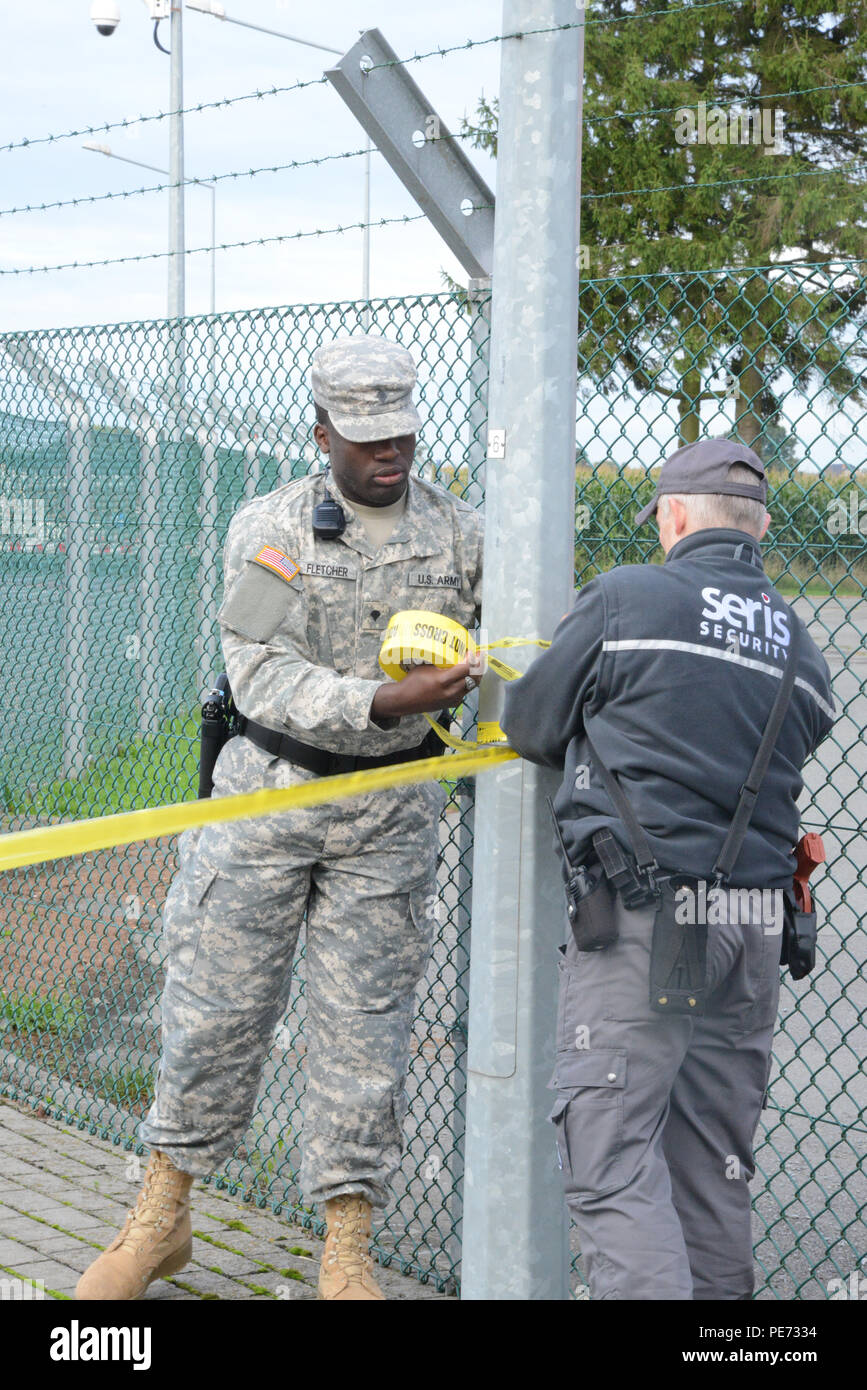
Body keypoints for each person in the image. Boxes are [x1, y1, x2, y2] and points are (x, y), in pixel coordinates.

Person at [76, 335, 484, 1302]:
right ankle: (162, 1216)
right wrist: (382, 701)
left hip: (387, 813)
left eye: (402, 436)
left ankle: (345, 1251)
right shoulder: (271, 528)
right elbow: (258, 670)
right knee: (212, 1012)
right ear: (321, 432)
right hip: (268, 795)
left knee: (363, 1033)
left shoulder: (464, 533)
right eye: (366, 439)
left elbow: (501, 646)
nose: (389, 455)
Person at [500, 439, 835, 1301]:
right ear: (756, 531)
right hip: (755, 923)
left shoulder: (626, 599)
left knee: (611, 1158)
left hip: (651, 917)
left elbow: (530, 724)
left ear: (674, 516)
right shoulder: (801, 652)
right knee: (710, 1167)